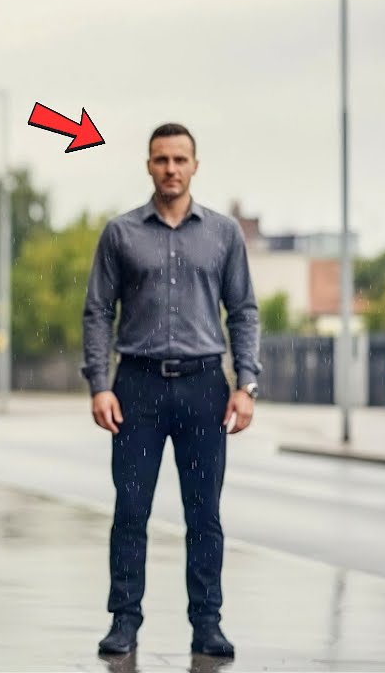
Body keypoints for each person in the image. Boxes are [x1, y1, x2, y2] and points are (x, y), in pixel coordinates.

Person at [81, 122, 261, 658]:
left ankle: (207, 624)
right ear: (148, 165)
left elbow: (244, 311)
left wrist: (246, 384)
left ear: (195, 166)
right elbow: (97, 312)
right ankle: (124, 622)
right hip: (135, 387)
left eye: (180, 159)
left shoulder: (224, 234)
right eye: (161, 159)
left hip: (206, 386)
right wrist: (99, 384)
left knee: (203, 513)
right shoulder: (120, 234)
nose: (171, 169)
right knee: (131, 511)